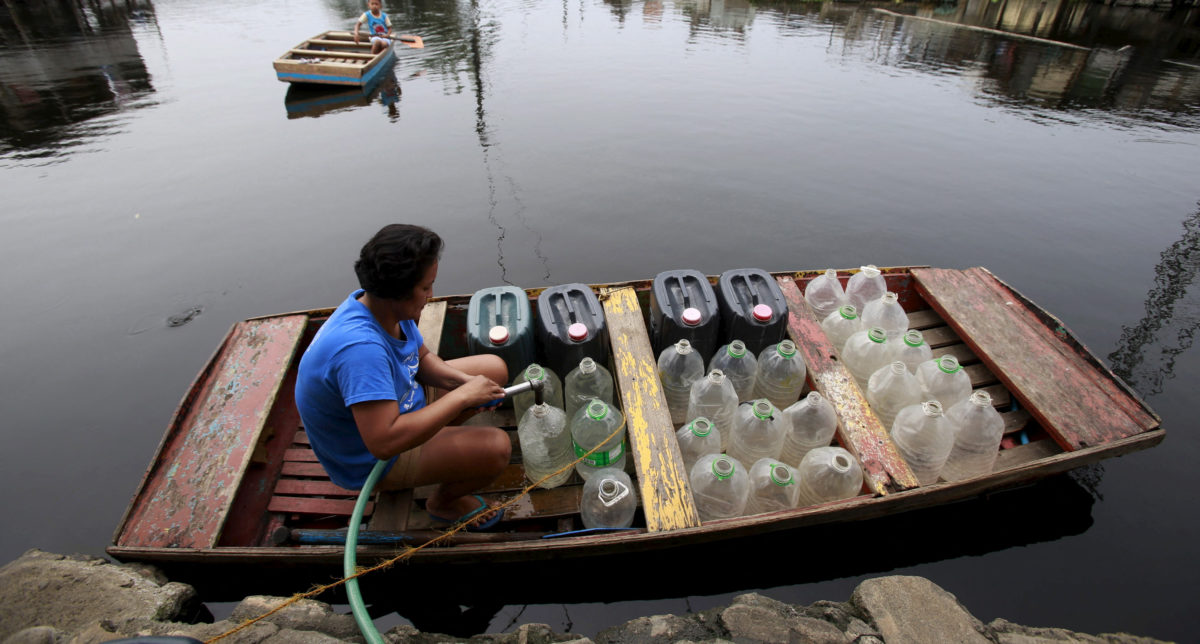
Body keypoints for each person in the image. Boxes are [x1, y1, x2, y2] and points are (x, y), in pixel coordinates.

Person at [295, 224, 511, 531]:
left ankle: (441, 442)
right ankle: (443, 504)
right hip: (370, 458)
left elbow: (420, 358)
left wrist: (463, 384)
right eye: (425, 288)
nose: (431, 295)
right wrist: (463, 397)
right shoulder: (360, 351)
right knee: (497, 449)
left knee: (492, 368)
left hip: (399, 403)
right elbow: (385, 442)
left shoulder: (380, 307)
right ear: (396, 292)